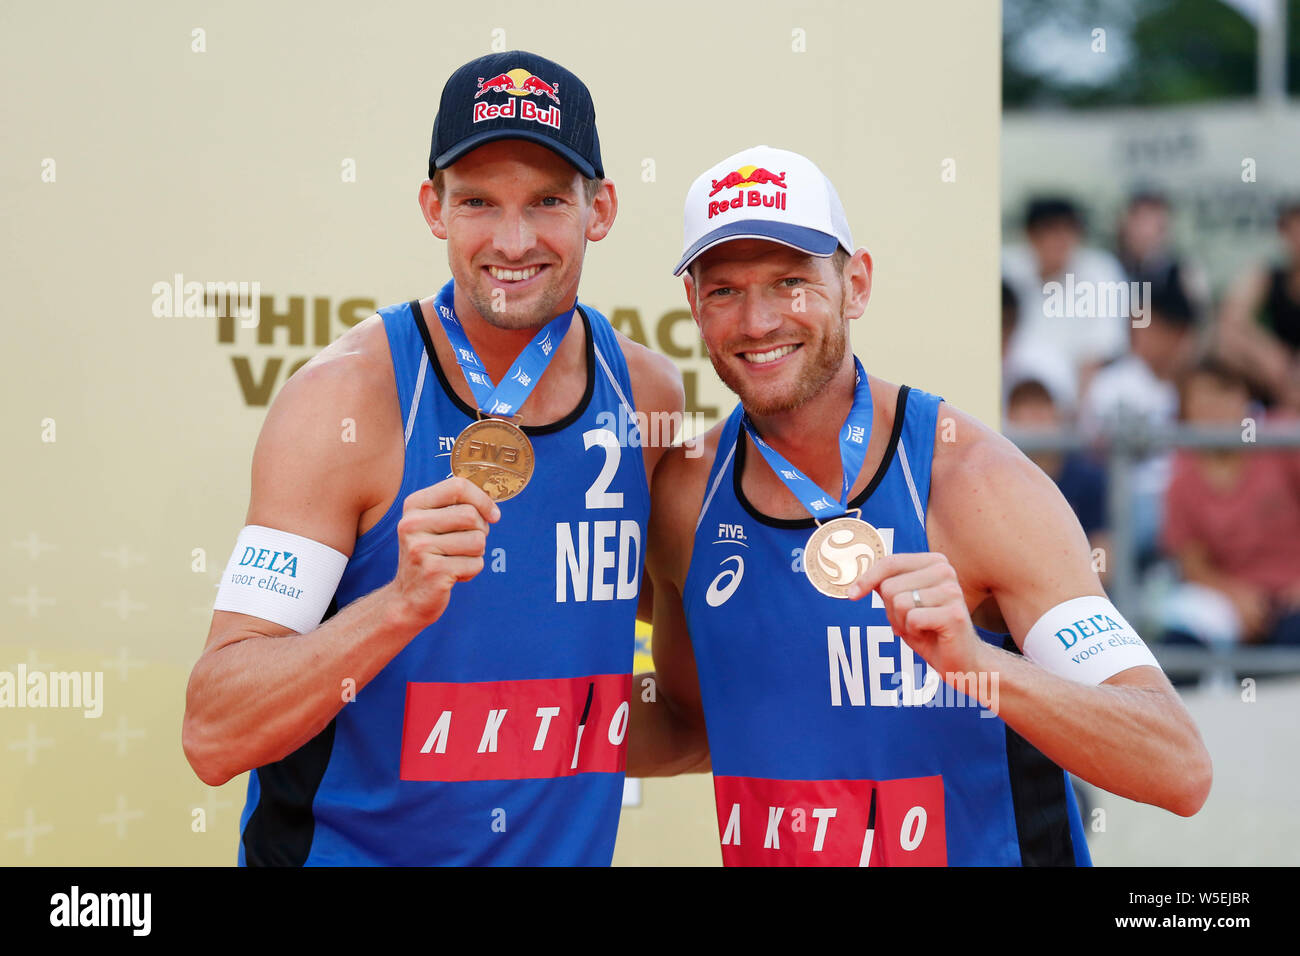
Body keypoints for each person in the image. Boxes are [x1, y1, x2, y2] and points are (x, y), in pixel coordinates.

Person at [628, 145, 1211, 866]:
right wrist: (484, 714)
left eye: (789, 282)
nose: (757, 320)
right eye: (724, 291)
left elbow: (1176, 763)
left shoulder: (973, 483)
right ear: (694, 307)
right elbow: (694, 723)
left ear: (856, 284)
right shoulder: (688, 496)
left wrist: (977, 666)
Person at [182, 51, 684, 866]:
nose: (513, 240)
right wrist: (397, 606)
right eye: (479, 201)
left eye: (548, 200)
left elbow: (687, 654)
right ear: (433, 207)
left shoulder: (647, 396)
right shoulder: (345, 400)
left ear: (601, 208)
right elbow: (213, 730)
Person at [1161, 358, 1300, 649]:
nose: (1215, 409)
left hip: (1292, 595)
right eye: (1203, 399)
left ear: (1245, 399)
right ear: (1187, 411)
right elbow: (1193, 564)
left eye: (1223, 393)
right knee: (1180, 643)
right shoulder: (1181, 478)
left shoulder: (1283, 440)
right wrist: (1234, 595)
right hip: (1233, 601)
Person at [1002, 197, 1130, 401]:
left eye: (1068, 232)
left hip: (1075, 392)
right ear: (1031, 237)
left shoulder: (1100, 272)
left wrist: (1075, 416)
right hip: (1011, 388)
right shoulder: (1006, 268)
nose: (1061, 242)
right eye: (1051, 232)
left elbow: (1099, 352)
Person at [1004, 377, 1110, 584]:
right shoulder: (1000, 479)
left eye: (1041, 408)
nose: (1036, 419)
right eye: (1026, 410)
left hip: (1077, 590)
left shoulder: (1088, 477)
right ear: (1011, 418)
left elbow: (1103, 552)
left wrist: (1079, 586)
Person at [1216, 199, 1300, 411]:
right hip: (1278, 379)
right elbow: (1229, 323)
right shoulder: (1267, 276)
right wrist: (1272, 355)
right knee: (1225, 344)